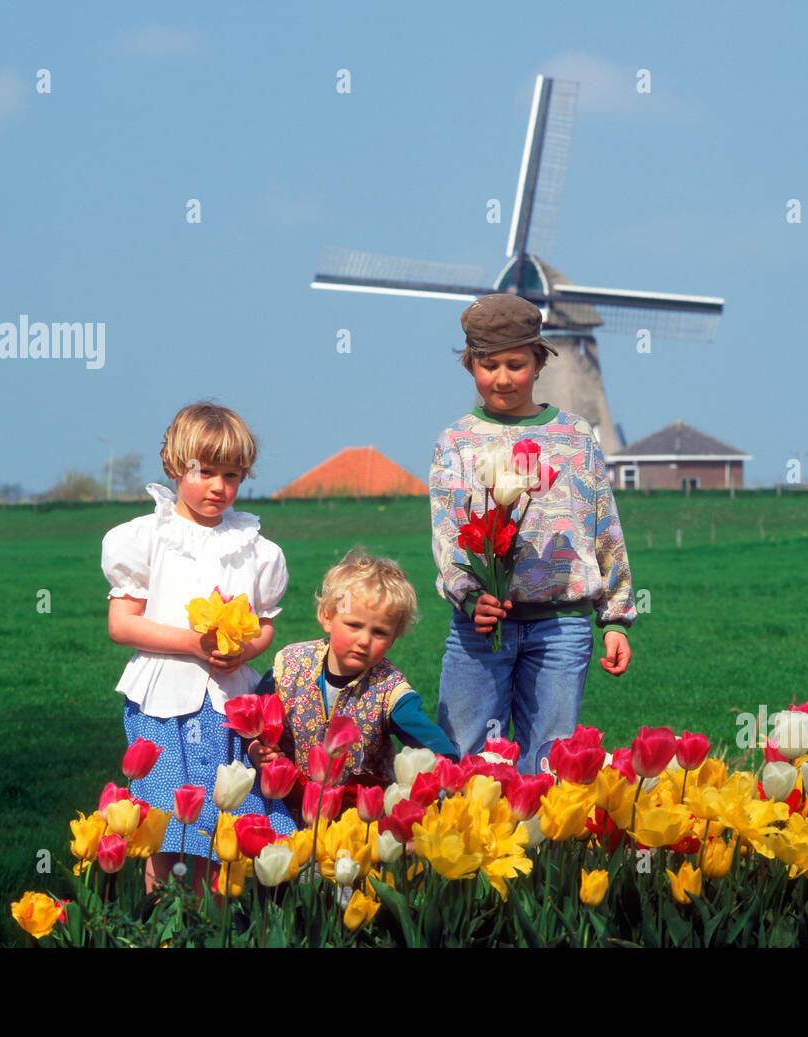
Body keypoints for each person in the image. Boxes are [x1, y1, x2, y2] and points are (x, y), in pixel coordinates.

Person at [430, 294, 635, 775]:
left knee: (551, 763)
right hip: (481, 626)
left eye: (516, 364)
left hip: (561, 625)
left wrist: (616, 616)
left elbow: (604, 523)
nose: (502, 378)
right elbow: (448, 534)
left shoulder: (576, 435)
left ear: (539, 361)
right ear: (471, 365)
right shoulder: (456, 440)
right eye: (489, 365)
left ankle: (540, 853)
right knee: (468, 758)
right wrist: (467, 596)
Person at [102, 402, 295, 892]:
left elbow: (265, 627)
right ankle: (162, 922)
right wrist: (192, 643)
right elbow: (122, 625)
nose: (218, 487)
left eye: (231, 475)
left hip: (231, 710)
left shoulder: (255, 549)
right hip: (163, 707)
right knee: (165, 829)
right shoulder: (147, 538)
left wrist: (245, 651)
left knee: (221, 830)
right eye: (204, 472)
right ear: (174, 467)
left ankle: (213, 926)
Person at [248, 548, 456, 804]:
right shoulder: (289, 667)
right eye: (354, 625)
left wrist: (451, 769)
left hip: (357, 814)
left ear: (393, 639)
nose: (364, 640)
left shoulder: (390, 690)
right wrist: (256, 748)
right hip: (289, 802)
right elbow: (253, 721)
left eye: (379, 632)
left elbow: (432, 743)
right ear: (327, 618)